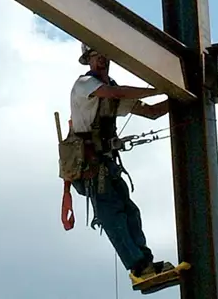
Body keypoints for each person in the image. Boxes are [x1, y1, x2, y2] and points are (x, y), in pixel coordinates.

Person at [68, 43, 179, 288]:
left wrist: (179, 98)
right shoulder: (85, 85)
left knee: (130, 212)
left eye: (104, 56)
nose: (101, 60)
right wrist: (156, 88)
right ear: (88, 60)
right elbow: (115, 94)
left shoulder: (112, 89)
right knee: (113, 216)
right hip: (90, 167)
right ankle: (139, 268)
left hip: (106, 163)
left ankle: (146, 263)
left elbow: (150, 112)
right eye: (96, 57)